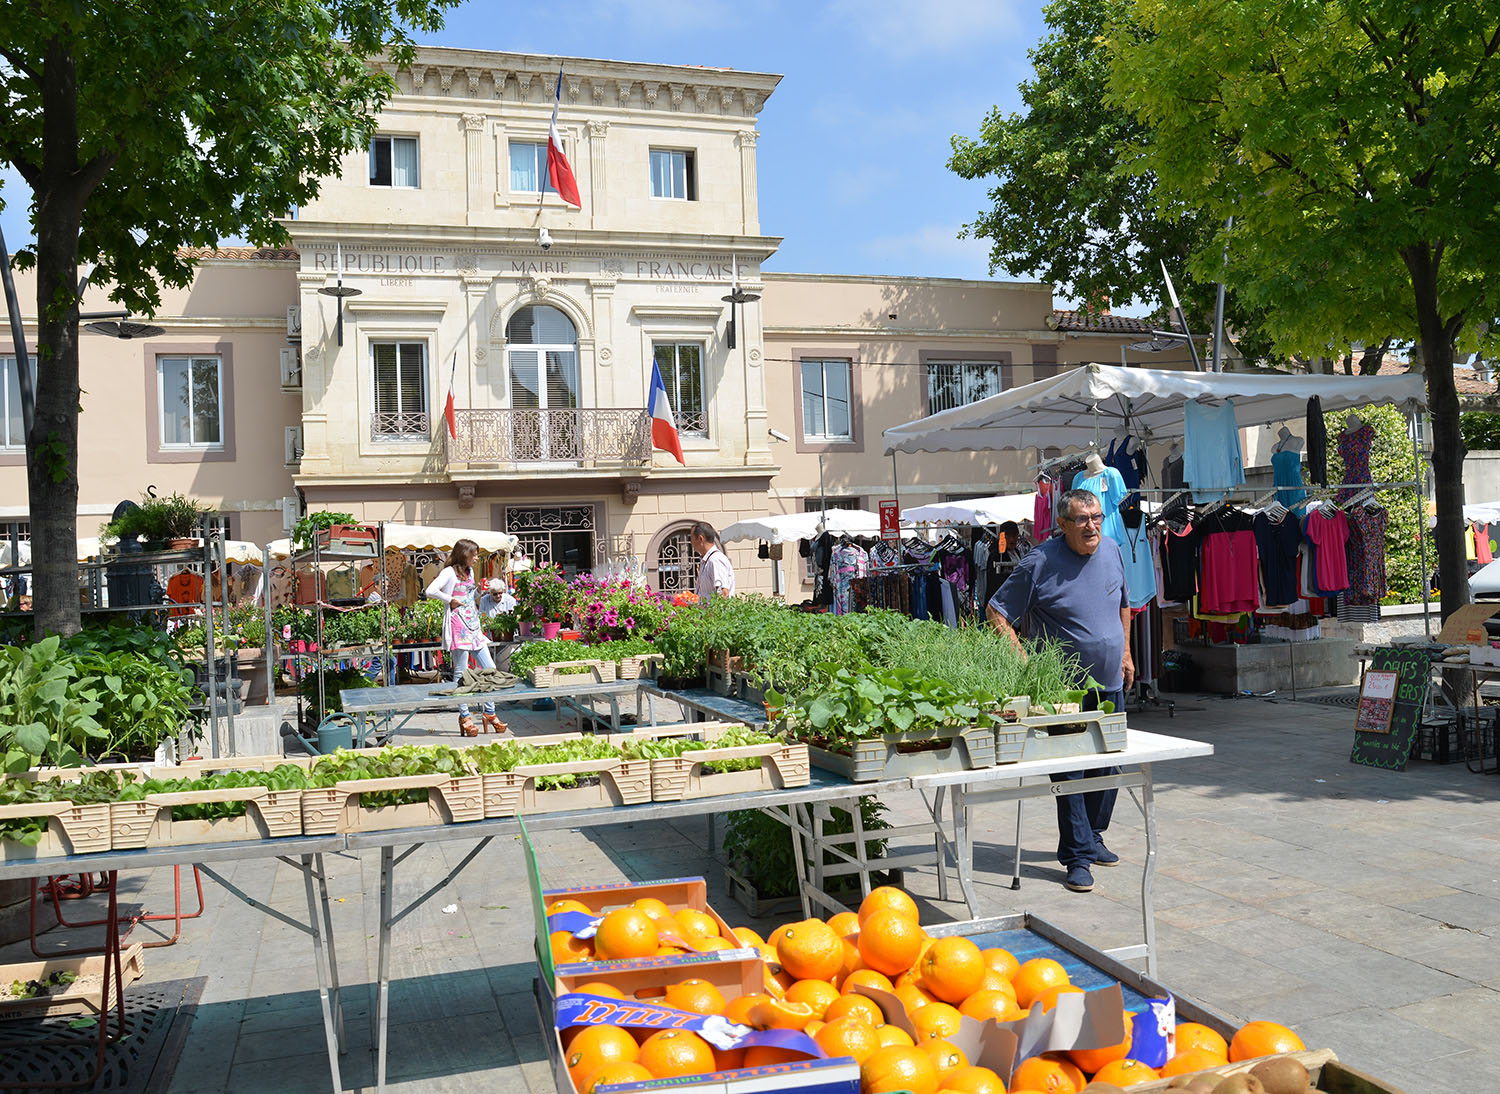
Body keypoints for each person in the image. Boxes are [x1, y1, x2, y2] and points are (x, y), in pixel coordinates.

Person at [986, 488, 1134, 894]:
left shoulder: (1112, 551)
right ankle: (1077, 857)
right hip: (1062, 691)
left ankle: (1093, 837)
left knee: (1107, 766)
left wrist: (1125, 651)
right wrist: (1026, 664)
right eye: (1083, 520)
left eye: (1097, 518)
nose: (1092, 526)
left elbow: (1124, 603)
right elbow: (997, 612)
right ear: (1063, 524)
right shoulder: (1041, 561)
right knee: (1070, 772)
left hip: (1110, 683)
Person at [425, 538, 508, 737]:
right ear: (465, 554)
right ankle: (465, 716)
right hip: (458, 626)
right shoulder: (448, 572)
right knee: (461, 674)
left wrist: (479, 590)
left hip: (473, 625)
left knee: (491, 669)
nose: (477, 558)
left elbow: (470, 597)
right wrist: (449, 599)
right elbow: (430, 590)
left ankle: (489, 712)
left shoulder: (469, 572)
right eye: (475, 555)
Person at [690, 521, 736, 603]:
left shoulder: (715, 560)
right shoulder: (707, 559)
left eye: (692, 538)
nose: (691, 542)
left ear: (701, 538)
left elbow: (723, 593)